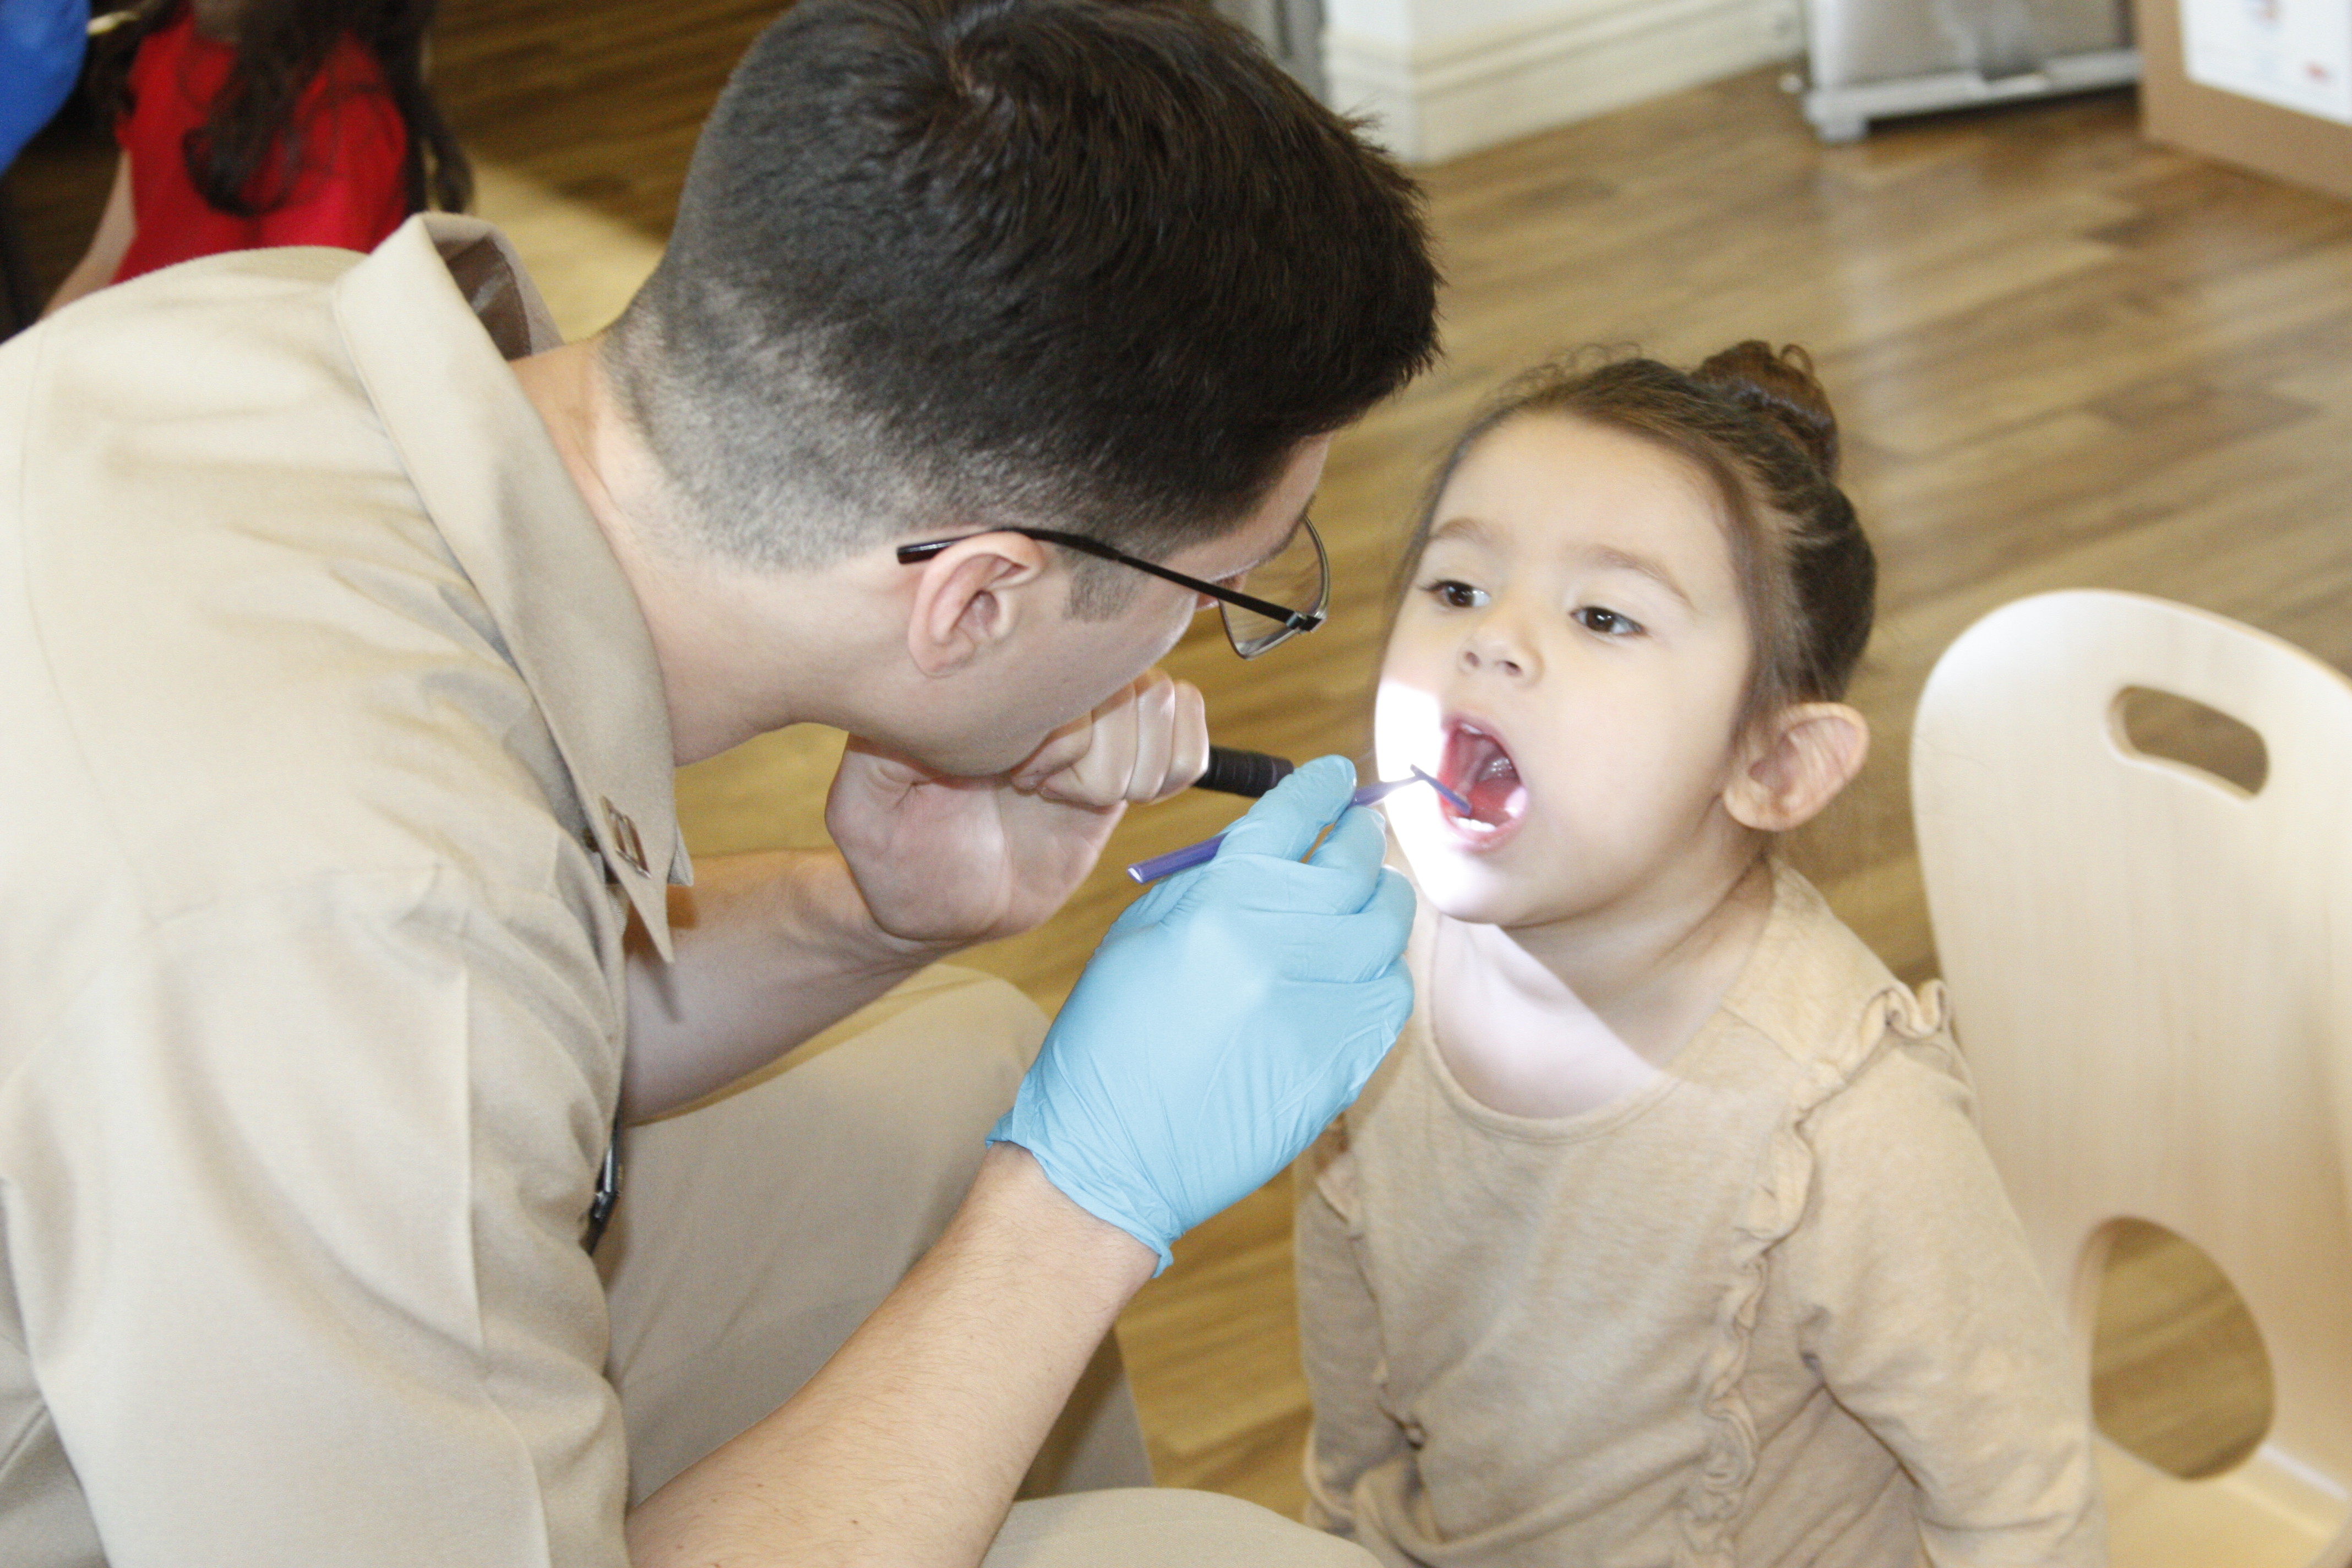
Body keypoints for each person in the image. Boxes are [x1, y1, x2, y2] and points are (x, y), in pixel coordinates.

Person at [0, 0, 1440, 1562]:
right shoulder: (353, 923)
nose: (1204, 638)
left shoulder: (271, 330)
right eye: (1225, 586)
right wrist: (1086, 1207)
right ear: (973, 600)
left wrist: (875, 917)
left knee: (961, 1066)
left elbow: (499, 1016)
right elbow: (407, 998)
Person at [1293, 344, 2106, 1566]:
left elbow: (2025, 1505)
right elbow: (1354, 1334)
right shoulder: (1376, 942)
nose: (1494, 641)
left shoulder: (1843, 1122)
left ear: (1774, 766)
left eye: (1604, 615)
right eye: (1458, 586)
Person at [43, 0, 468, 313]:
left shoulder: (336, 117)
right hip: (139, 370)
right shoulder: (170, 36)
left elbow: (298, 354)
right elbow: (106, 261)